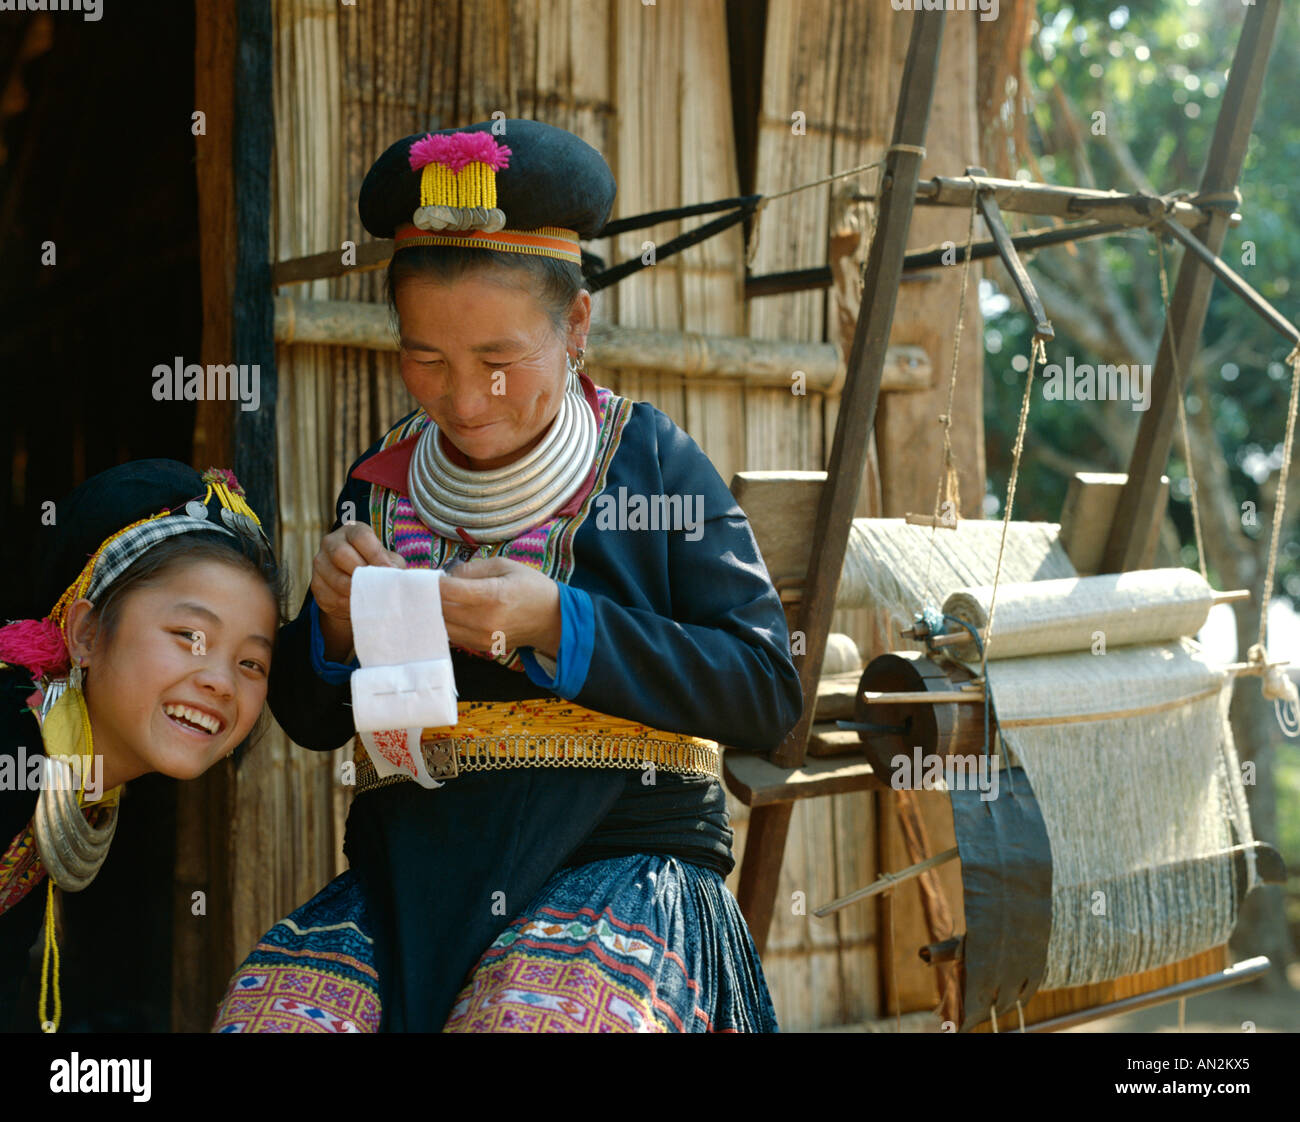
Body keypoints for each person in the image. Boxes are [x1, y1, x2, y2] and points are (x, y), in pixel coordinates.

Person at [213, 119, 803, 1034]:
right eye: (425, 357)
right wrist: (330, 630)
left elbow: (766, 690)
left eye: (499, 360)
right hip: (410, 877)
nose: (462, 397)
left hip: (620, 857)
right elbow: (310, 717)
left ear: (575, 322)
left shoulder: (651, 462)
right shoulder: (381, 480)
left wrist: (556, 623)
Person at [0, 460, 282, 1031]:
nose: (222, 682)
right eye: (189, 637)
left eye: (251, 662)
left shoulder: (64, 778)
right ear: (85, 634)